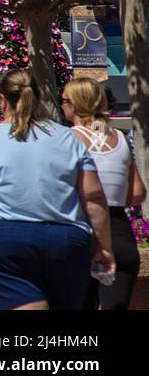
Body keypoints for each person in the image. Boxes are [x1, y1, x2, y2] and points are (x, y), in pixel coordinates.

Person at [0, 69, 114, 311]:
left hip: (6, 239)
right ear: (40, 97)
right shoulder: (67, 138)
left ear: (1, 100)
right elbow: (93, 197)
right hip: (66, 240)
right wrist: (104, 246)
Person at [61, 78, 144, 309]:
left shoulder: (67, 139)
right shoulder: (119, 138)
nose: (62, 106)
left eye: (64, 101)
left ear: (75, 105)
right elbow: (137, 192)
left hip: (80, 228)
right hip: (119, 231)